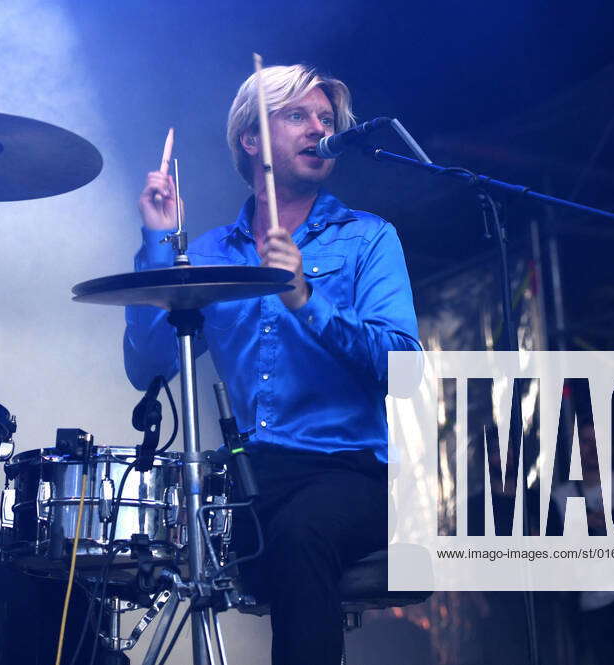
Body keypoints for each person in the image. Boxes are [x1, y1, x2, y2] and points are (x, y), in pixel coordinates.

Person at [123, 64, 420, 665]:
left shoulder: (367, 239)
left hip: (353, 474)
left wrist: (307, 300)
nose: (319, 129)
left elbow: (405, 369)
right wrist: (158, 241)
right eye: (297, 116)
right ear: (251, 140)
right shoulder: (205, 255)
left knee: (301, 533)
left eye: (327, 120)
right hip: (251, 483)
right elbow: (148, 366)